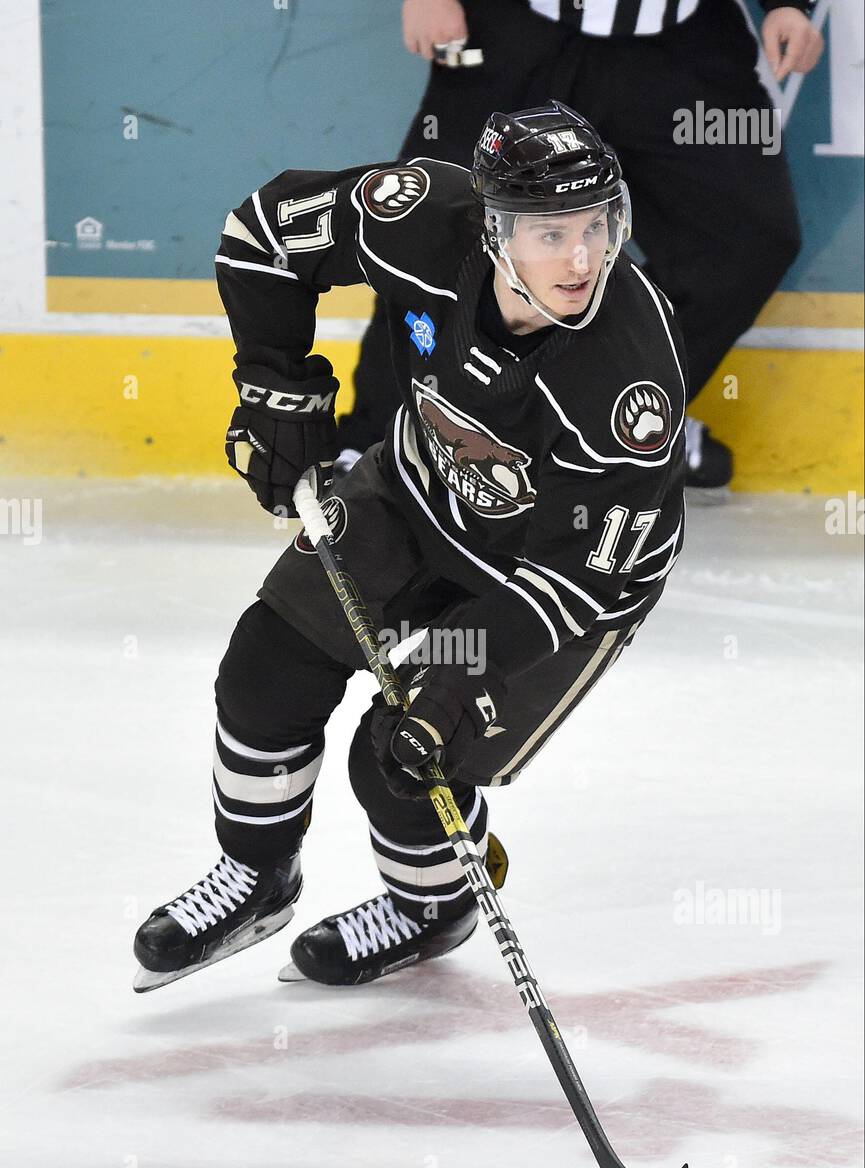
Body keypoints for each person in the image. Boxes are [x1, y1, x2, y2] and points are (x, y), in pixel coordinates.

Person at [133, 102, 687, 993]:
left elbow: (594, 576)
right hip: (415, 495)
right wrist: (278, 393)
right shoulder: (420, 217)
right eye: (551, 234)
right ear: (493, 227)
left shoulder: (628, 379)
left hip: (549, 581)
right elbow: (264, 235)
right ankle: (257, 873)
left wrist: (464, 670)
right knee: (266, 667)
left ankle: (432, 907)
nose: (581, 260)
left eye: (595, 228)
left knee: (398, 757)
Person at [336, 0, 824, 496]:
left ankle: (608, 426)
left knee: (748, 240)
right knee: (444, 225)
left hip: (681, 39)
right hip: (517, 28)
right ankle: (383, 439)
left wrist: (789, 5)